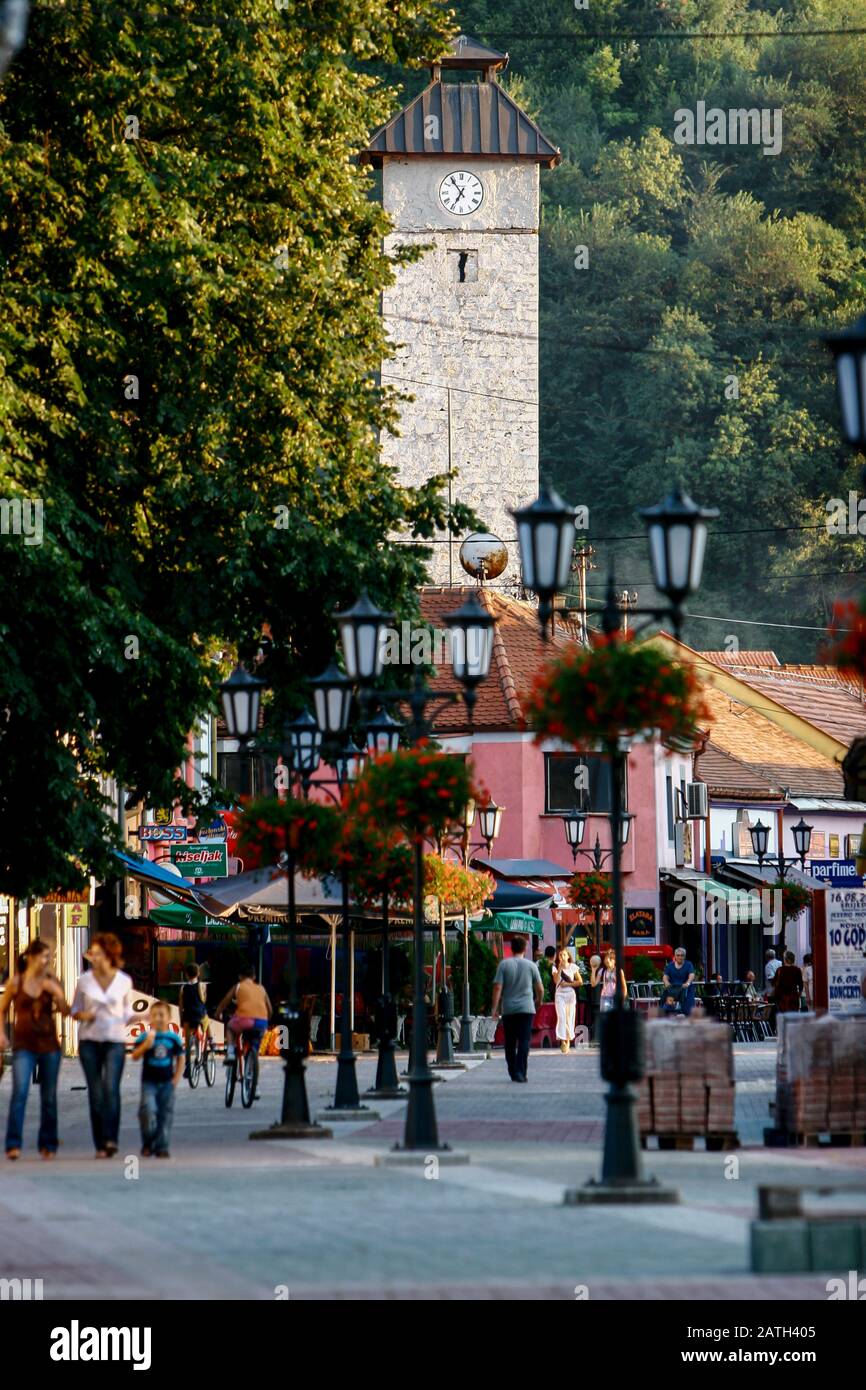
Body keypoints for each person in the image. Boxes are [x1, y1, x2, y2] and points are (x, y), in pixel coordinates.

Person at [0, 939, 70, 1160]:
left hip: (49, 1046)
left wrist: (57, 994)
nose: (47, 960)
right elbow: (1, 1010)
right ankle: (13, 1144)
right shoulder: (16, 983)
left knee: (48, 1096)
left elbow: (65, 1010)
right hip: (23, 1046)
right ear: (31, 957)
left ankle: (48, 1143)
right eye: (43, 956)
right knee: (19, 1093)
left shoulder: (52, 981)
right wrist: (1, 1035)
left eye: (49, 956)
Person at [71, 933, 135, 1158]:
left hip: (115, 1040)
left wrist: (133, 1018)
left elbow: (127, 1010)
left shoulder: (124, 981)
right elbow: (74, 1009)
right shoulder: (84, 980)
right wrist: (82, 1014)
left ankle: (111, 1139)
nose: (93, 957)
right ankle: (99, 1143)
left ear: (109, 955)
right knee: (96, 1093)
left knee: (111, 1089)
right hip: (89, 1040)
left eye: (97, 953)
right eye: (92, 953)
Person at [132, 1001, 184, 1158]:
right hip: (149, 1082)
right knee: (147, 1111)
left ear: (169, 1018)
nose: (158, 1018)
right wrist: (146, 1045)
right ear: (149, 1019)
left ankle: (162, 1146)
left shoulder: (173, 1039)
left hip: (167, 1082)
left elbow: (180, 1058)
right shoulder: (144, 1037)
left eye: (162, 1015)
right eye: (154, 1015)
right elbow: (135, 1056)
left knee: (165, 1114)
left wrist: (176, 1078)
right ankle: (148, 1142)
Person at [490, 936, 544, 1083]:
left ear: (511, 948)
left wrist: (494, 1009)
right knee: (524, 1041)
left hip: (509, 1010)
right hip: (527, 1008)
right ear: (525, 949)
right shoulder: (531, 966)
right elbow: (540, 988)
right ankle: (521, 1072)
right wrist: (539, 1001)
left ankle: (514, 1071)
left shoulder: (503, 965)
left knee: (510, 1042)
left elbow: (497, 987)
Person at [216, 966, 272, 1059]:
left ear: (240, 977)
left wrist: (218, 1013)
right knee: (255, 1042)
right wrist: (267, 1021)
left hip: (244, 1020)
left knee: (230, 1027)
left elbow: (225, 1001)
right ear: (254, 977)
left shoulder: (238, 986)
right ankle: (252, 1058)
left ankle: (230, 1052)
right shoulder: (261, 988)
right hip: (262, 1022)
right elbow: (270, 1009)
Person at [179, 962, 209, 1076]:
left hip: (187, 1016)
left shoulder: (183, 987)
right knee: (206, 1024)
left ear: (186, 974)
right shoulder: (202, 985)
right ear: (198, 973)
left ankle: (187, 1066)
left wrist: (181, 1019)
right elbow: (203, 1000)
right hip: (199, 1016)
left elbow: (181, 1006)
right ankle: (201, 1053)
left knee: (187, 1043)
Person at [552, 946, 579, 1053]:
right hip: (559, 995)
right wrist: (560, 968)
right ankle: (562, 1040)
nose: (562, 957)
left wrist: (568, 983)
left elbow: (579, 981)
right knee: (561, 1017)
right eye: (560, 955)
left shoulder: (573, 967)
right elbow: (556, 981)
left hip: (570, 994)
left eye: (564, 955)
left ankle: (568, 1040)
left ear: (568, 956)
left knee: (569, 1017)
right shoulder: (555, 967)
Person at [662, 947, 696, 1016]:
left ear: (684, 956)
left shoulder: (688, 965)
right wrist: (666, 982)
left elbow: (691, 975)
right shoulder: (670, 965)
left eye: (682, 955)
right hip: (673, 989)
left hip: (686, 989)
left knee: (688, 1010)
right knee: (666, 1008)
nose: (680, 957)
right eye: (678, 955)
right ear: (675, 956)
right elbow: (665, 976)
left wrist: (688, 983)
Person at [593, 948, 626, 1014]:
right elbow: (593, 984)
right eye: (606, 958)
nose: (608, 960)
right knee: (606, 1017)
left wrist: (622, 1000)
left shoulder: (619, 971)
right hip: (605, 997)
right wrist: (593, 970)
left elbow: (624, 987)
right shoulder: (602, 971)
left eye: (610, 959)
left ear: (614, 961)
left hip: (615, 997)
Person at [771, 950, 803, 1015]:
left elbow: (774, 983)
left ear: (785, 959)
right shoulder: (797, 970)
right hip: (793, 997)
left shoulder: (780, 970)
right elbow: (800, 984)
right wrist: (799, 994)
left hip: (782, 998)